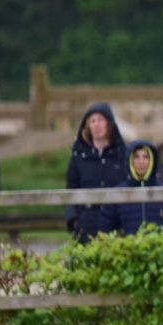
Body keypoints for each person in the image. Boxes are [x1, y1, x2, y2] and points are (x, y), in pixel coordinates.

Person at [65, 102, 128, 243]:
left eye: (100, 120)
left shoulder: (122, 155)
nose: (96, 125)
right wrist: (73, 219)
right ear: (88, 126)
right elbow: (71, 188)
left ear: (109, 124)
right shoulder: (78, 156)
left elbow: (128, 185)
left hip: (115, 219)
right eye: (92, 121)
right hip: (86, 219)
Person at [97, 141, 163, 235]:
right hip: (129, 248)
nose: (141, 161)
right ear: (130, 160)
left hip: (159, 247)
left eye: (145, 157)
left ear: (151, 160)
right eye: (136, 157)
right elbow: (105, 228)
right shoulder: (118, 193)